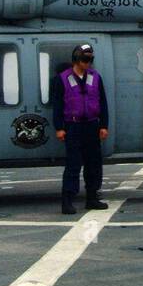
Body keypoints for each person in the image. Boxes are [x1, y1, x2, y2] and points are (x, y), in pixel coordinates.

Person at [51, 43, 109, 215]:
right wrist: (59, 128)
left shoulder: (95, 77)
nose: (88, 63)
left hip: (92, 125)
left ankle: (92, 197)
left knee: (94, 163)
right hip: (73, 126)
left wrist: (104, 125)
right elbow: (58, 105)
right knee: (73, 164)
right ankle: (67, 200)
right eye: (85, 59)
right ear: (76, 59)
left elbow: (103, 103)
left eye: (91, 59)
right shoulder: (62, 79)